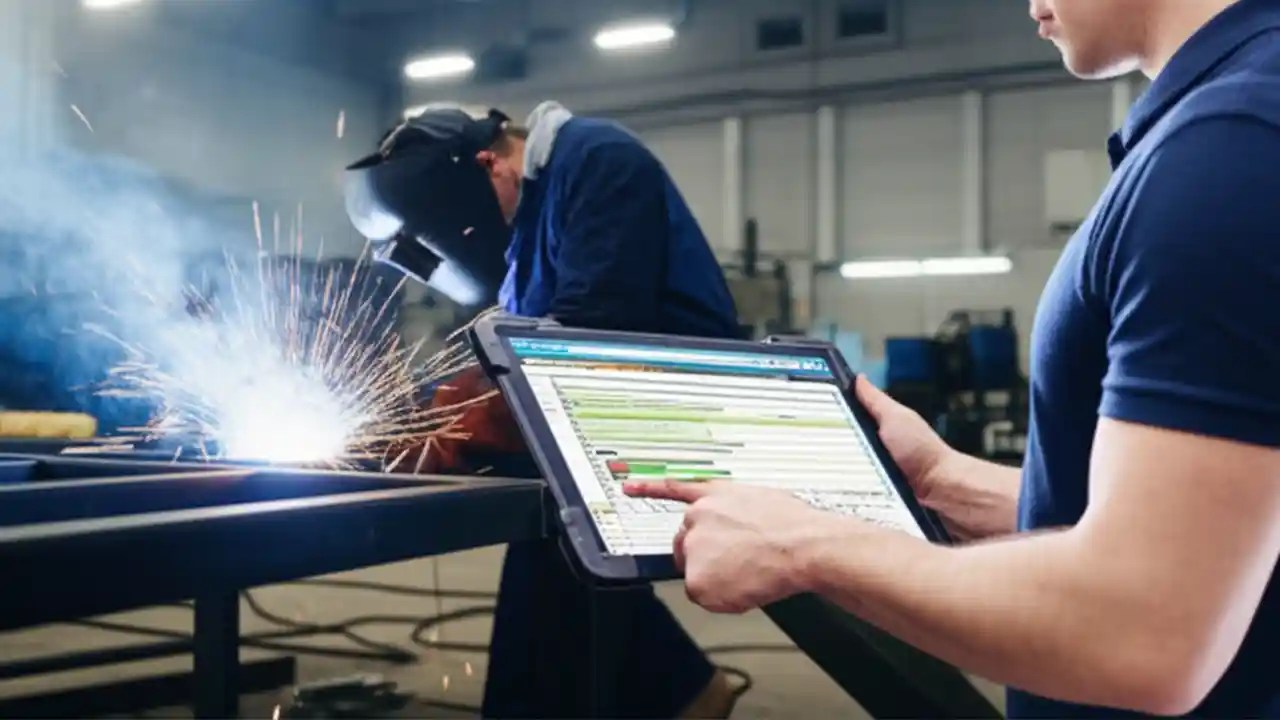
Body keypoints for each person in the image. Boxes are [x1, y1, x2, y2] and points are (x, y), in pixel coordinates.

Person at [627, 0, 1280, 717]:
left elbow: (1143, 628)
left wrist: (803, 547)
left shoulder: (1230, 146)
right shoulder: (1231, 124)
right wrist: (942, 479)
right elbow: (1212, 531)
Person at [347, 102, 744, 718]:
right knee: (549, 542)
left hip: (688, 401)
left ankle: (681, 688)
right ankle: (681, 687)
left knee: (556, 538)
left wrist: (469, 414)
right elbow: (515, 346)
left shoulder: (597, 158)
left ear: (490, 165)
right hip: (606, 409)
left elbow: (591, 332)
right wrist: (427, 409)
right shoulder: (527, 228)